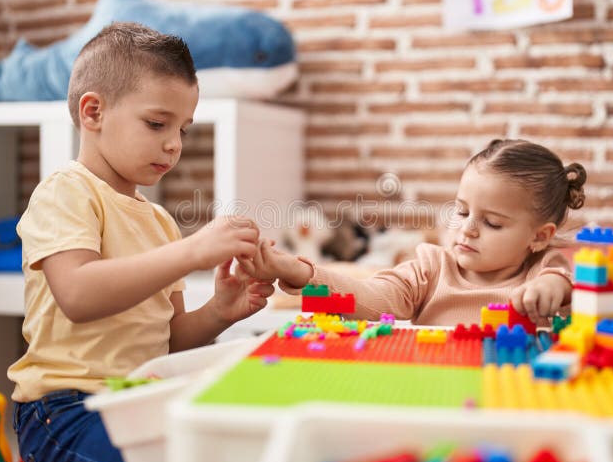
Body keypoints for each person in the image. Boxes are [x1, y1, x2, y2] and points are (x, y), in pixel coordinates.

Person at [8, 22, 274, 462]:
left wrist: (217, 312)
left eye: (184, 130)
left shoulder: (159, 222)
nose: (173, 145)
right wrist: (190, 252)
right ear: (92, 113)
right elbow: (77, 294)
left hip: (137, 402)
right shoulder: (66, 192)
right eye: (156, 124)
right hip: (68, 410)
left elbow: (167, 342)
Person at [241, 138, 587, 326]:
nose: (467, 228)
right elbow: (371, 297)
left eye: (492, 222)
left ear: (539, 236)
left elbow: (569, 286)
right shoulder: (431, 267)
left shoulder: (544, 271)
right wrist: (300, 273)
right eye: (462, 211)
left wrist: (552, 289)